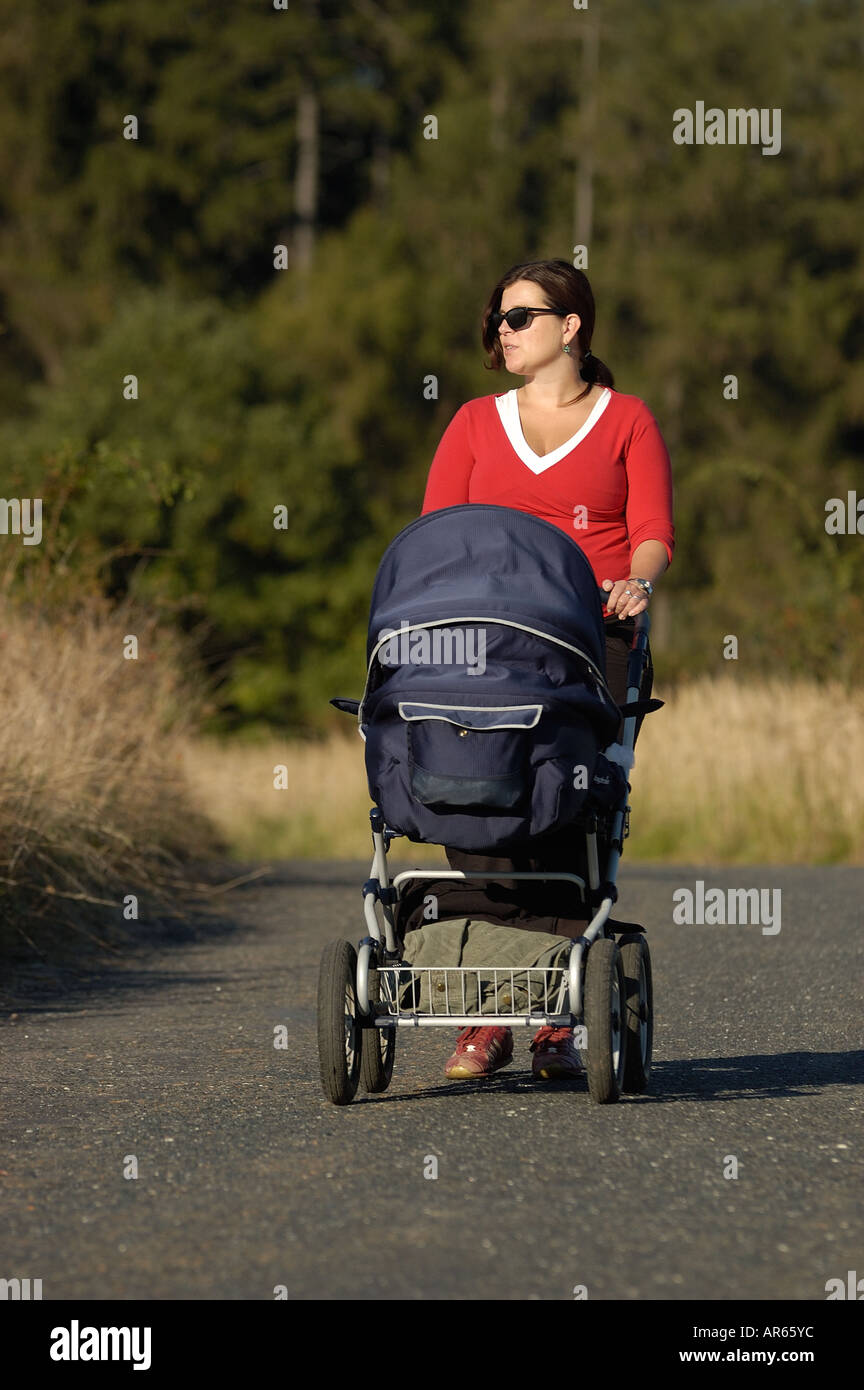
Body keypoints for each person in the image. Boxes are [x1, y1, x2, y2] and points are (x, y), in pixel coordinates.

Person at [417, 258, 674, 1082]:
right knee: (480, 784)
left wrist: (637, 578)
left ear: (571, 326)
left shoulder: (628, 419)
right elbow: (437, 538)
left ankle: (551, 1017)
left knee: (568, 799)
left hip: (589, 632)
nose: (503, 329)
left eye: (520, 317)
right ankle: (488, 1009)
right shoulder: (471, 423)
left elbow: (654, 531)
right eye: (498, 318)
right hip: (489, 639)